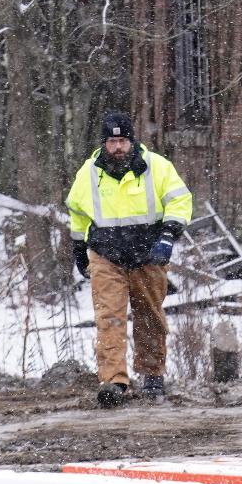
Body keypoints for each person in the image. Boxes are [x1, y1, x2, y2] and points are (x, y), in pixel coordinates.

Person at [65, 112, 193, 407]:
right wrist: (78, 248)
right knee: (109, 317)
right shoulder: (88, 173)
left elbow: (180, 200)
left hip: (148, 253)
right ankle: (113, 381)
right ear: (104, 143)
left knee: (150, 315)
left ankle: (152, 374)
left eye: (123, 141)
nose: (118, 147)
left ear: (132, 141)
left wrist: (168, 235)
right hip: (105, 254)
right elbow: (77, 211)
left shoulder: (157, 167)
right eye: (112, 141)